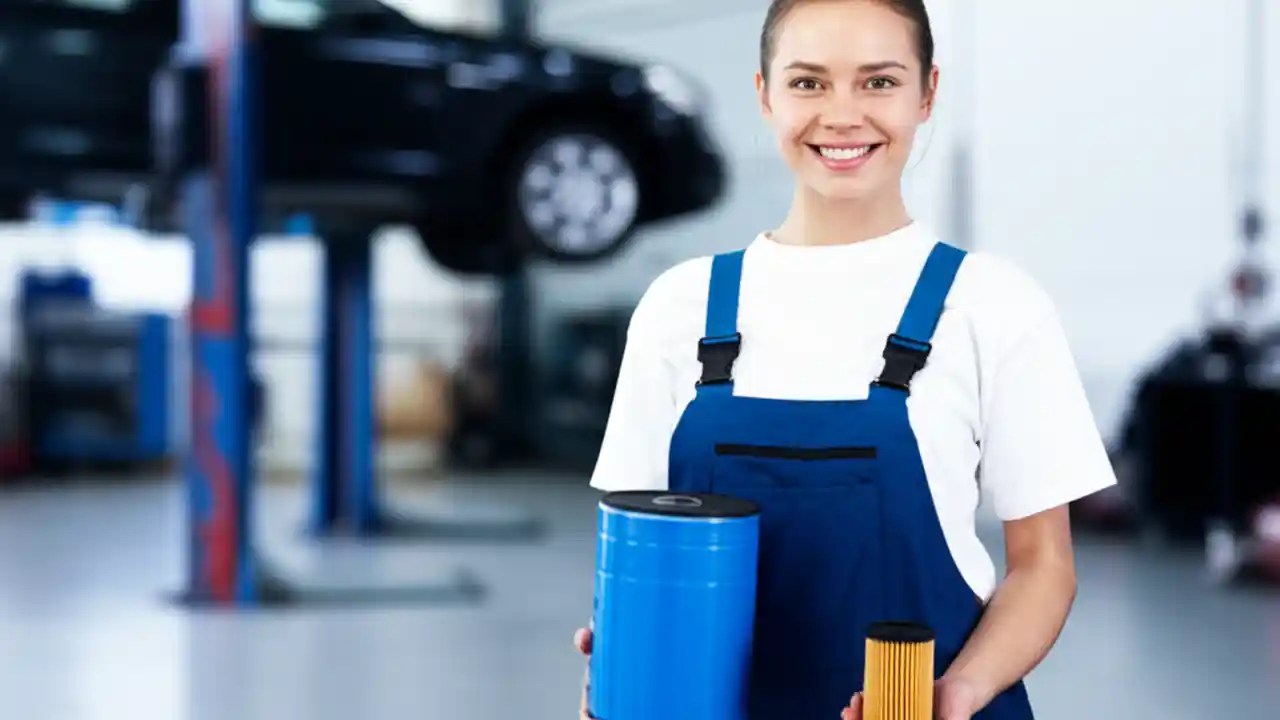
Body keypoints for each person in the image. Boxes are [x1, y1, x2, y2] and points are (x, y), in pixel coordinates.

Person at [574, 0, 1117, 718]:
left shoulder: (995, 306)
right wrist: (617, 677)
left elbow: (1044, 566)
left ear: (927, 93)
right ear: (765, 94)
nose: (842, 115)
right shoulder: (679, 307)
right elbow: (636, 556)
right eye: (808, 82)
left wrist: (957, 694)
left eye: (878, 82)